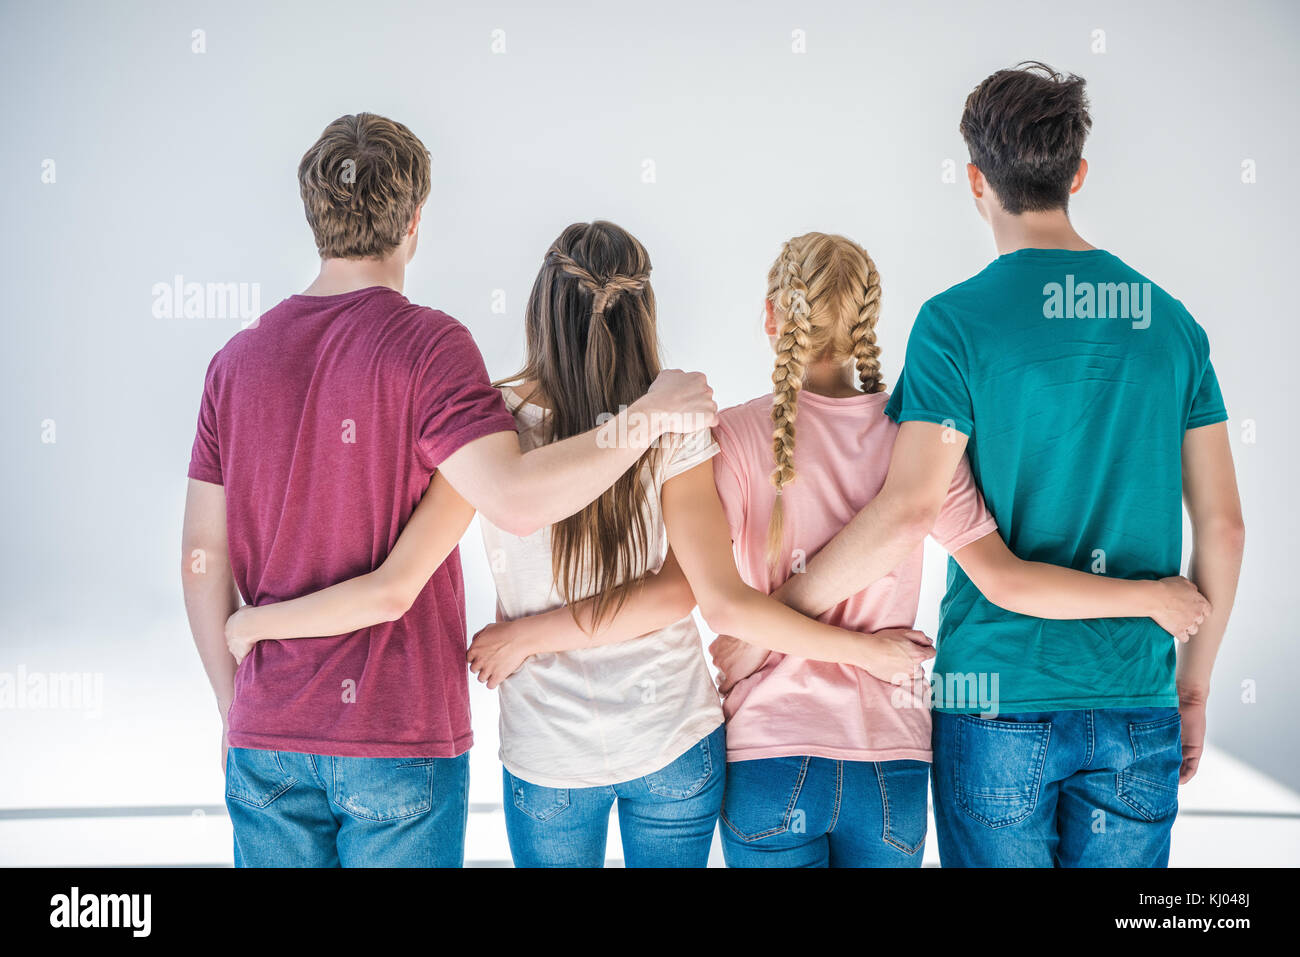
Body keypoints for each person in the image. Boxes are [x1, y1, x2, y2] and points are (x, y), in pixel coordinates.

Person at [225, 220, 937, 867]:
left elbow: (399, 576)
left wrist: (528, 635)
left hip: (551, 753)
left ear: (541, 310)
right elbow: (682, 592)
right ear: (644, 312)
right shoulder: (676, 419)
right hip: (674, 741)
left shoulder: (488, 428)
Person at [733, 64, 1245, 868]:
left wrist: (777, 619)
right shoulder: (1168, 323)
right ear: (1077, 173)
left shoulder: (952, 326)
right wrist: (1192, 687)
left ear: (975, 179)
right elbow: (1224, 526)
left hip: (995, 702)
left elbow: (907, 510)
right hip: (1136, 697)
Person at [180, 116, 717, 868]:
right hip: (397, 733)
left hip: (266, 731)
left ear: (314, 218)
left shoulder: (232, 364)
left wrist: (233, 694)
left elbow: (200, 558)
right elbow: (514, 499)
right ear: (414, 220)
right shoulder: (429, 347)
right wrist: (650, 417)